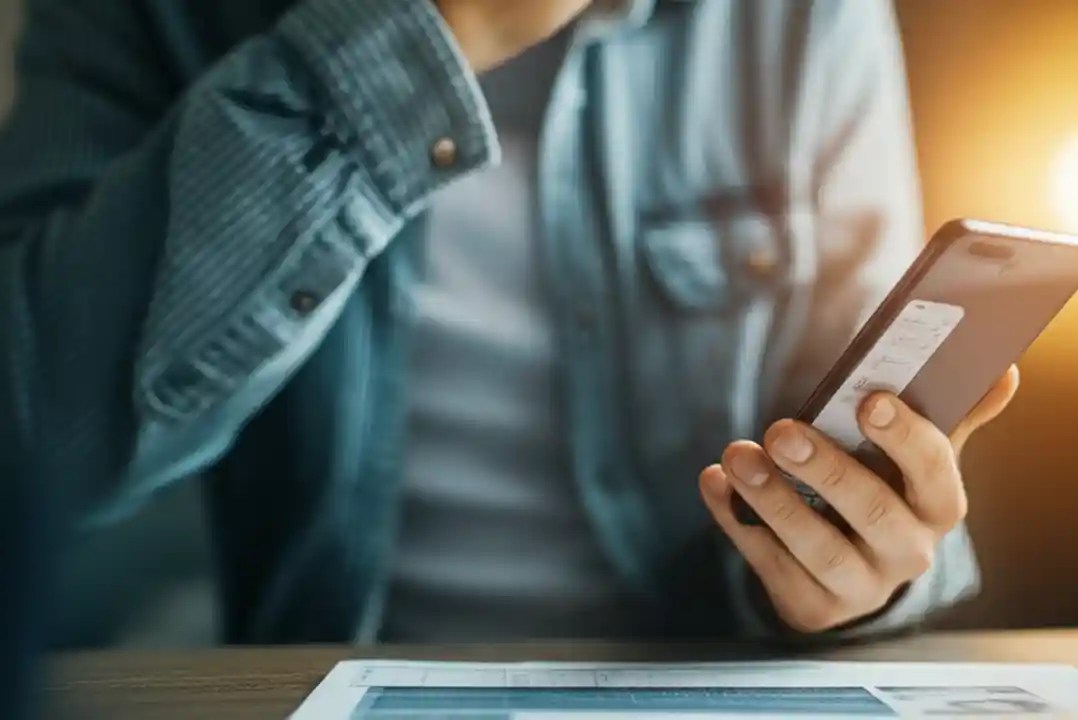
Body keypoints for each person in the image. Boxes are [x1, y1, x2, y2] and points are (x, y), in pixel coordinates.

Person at [0, 0, 1018, 644]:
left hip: (687, 679)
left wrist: (853, 572)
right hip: (286, 679)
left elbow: (851, 468)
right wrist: (439, 31)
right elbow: (39, 435)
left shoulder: (803, 21)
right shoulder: (143, 16)